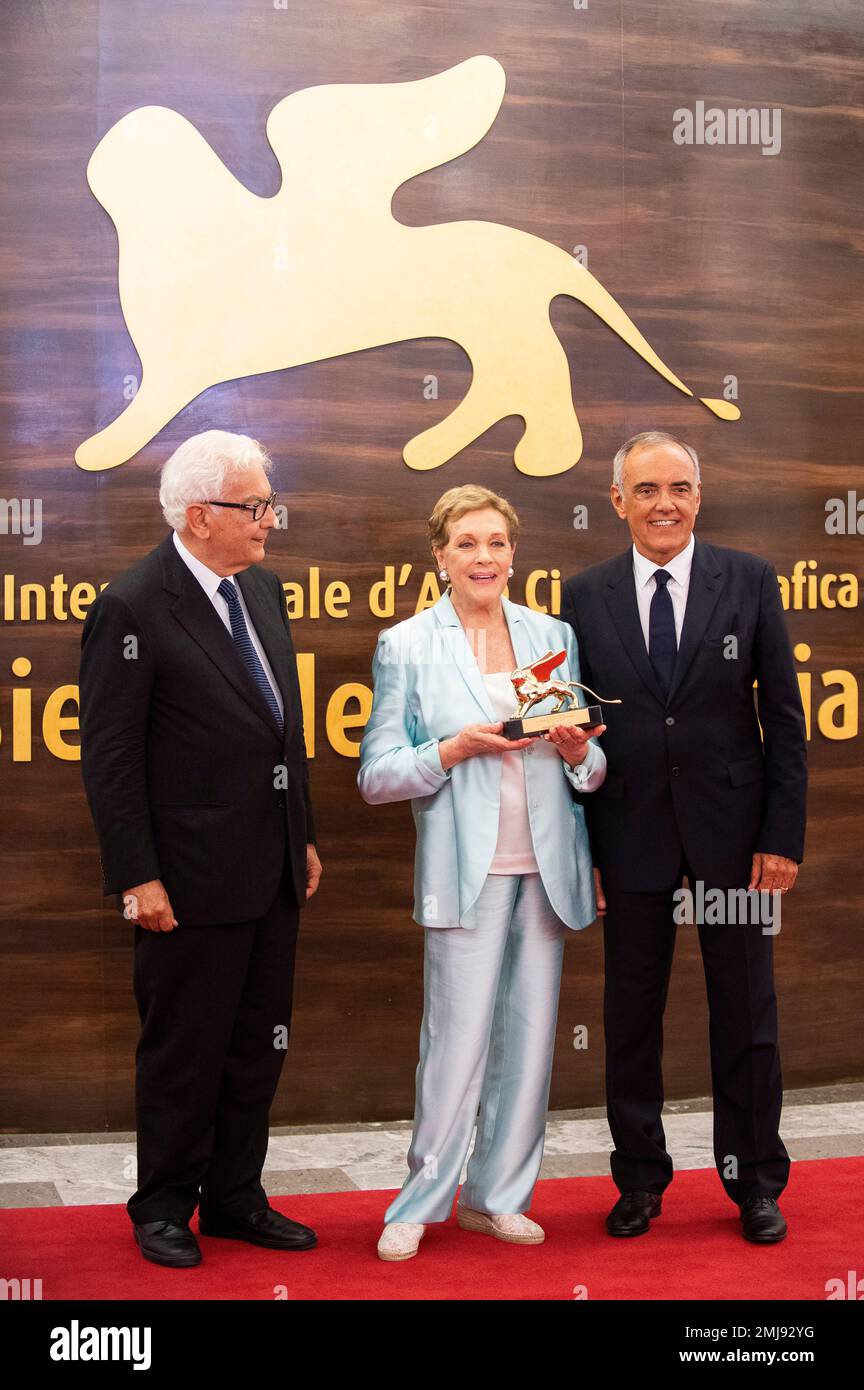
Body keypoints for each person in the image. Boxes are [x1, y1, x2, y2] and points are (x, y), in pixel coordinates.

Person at [78, 429, 322, 1268]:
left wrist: (305, 835)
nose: (268, 521)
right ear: (196, 515)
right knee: (185, 1049)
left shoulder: (261, 593)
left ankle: (234, 1197)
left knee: (258, 1043)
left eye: (267, 503)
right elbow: (110, 758)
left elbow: (281, 733)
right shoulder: (134, 606)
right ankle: (163, 1207)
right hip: (184, 879)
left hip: (271, 869)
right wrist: (136, 874)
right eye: (252, 507)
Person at [560, 431, 807, 1244]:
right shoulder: (584, 595)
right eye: (647, 490)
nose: (664, 503)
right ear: (617, 502)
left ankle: (754, 1183)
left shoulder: (749, 579)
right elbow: (577, 731)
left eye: (679, 489)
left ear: (698, 499)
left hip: (734, 844)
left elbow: (784, 722)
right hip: (629, 840)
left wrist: (781, 836)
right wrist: (585, 850)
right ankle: (639, 1182)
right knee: (631, 1017)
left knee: (747, 1014)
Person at [357, 484, 606, 1261]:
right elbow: (376, 775)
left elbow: (593, 770)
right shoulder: (407, 645)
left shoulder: (549, 633)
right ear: (439, 556)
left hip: (547, 870)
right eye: (467, 543)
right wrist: (453, 750)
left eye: (496, 543)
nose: (484, 557)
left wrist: (576, 751)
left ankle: (497, 1198)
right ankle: (420, 1201)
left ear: (513, 553)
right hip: (463, 872)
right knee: (456, 1043)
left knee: (530, 1046)